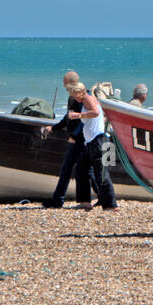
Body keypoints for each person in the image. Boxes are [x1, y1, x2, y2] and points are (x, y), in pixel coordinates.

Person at [42, 70, 93, 209]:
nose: (64, 86)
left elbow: (83, 120)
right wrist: (54, 128)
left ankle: (58, 200)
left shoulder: (77, 96)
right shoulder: (79, 95)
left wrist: (74, 136)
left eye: (64, 83)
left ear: (69, 84)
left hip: (79, 139)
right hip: (83, 138)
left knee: (69, 169)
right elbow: (68, 117)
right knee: (86, 170)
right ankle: (103, 199)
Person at [68, 81, 117, 210]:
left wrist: (78, 115)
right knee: (81, 169)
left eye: (75, 94)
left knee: (101, 173)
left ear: (81, 92)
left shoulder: (88, 99)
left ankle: (111, 205)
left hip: (98, 140)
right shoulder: (86, 100)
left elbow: (95, 112)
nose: (74, 97)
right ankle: (85, 202)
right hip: (90, 142)